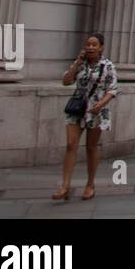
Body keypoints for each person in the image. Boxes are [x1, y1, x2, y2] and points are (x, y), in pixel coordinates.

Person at [53, 33, 119, 201]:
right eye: (88, 44)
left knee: (91, 147)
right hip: (77, 107)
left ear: (101, 47)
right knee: (70, 145)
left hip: (96, 109)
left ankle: (90, 184)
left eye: (94, 45)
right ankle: (65, 185)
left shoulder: (107, 65)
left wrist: (101, 104)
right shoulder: (80, 64)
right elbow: (66, 81)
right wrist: (76, 63)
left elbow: (112, 88)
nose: (90, 47)